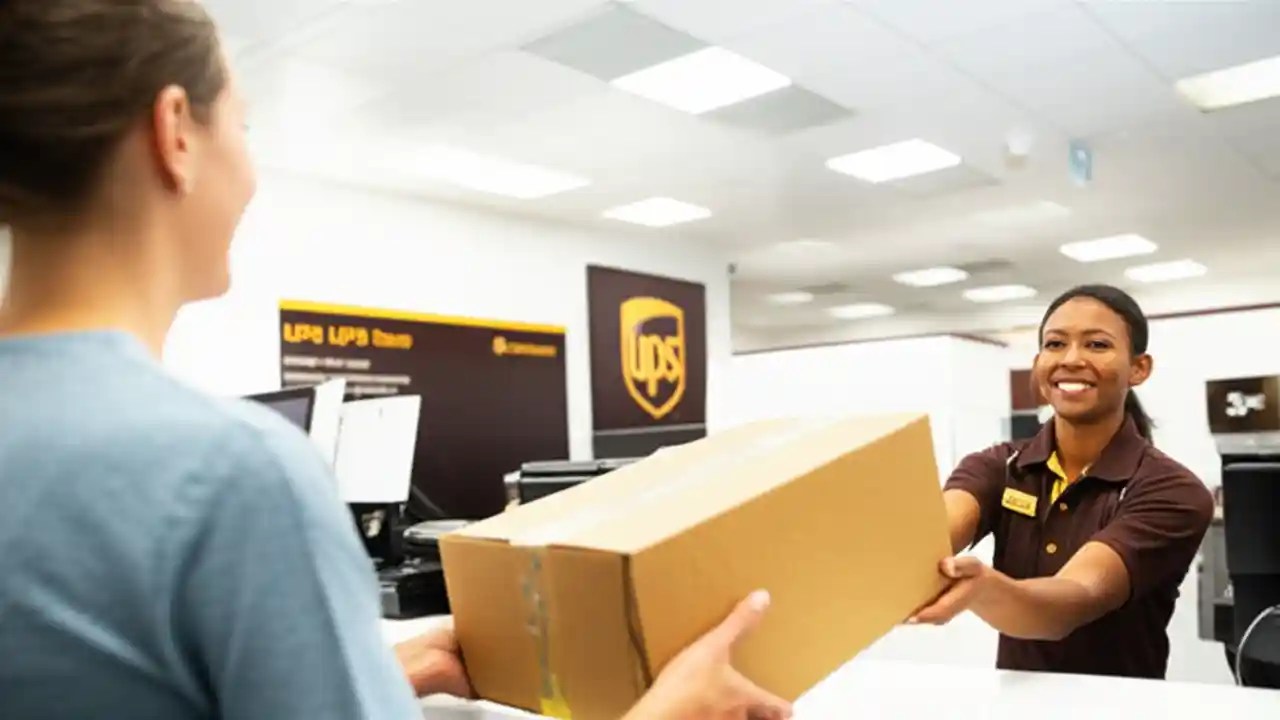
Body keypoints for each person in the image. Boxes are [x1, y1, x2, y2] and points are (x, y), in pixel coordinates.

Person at [0, 2, 792, 719]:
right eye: (242, 127)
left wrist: (369, 673)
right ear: (174, 133)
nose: (248, 172)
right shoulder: (228, 473)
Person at [911, 284, 1214, 679]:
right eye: (1055, 344)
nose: (1071, 359)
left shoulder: (1173, 491)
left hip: (1121, 709)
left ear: (1138, 368)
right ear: (1038, 362)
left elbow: (1073, 601)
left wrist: (984, 589)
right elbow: (934, 538)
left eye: (1097, 345)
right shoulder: (999, 466)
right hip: (1017, 705)